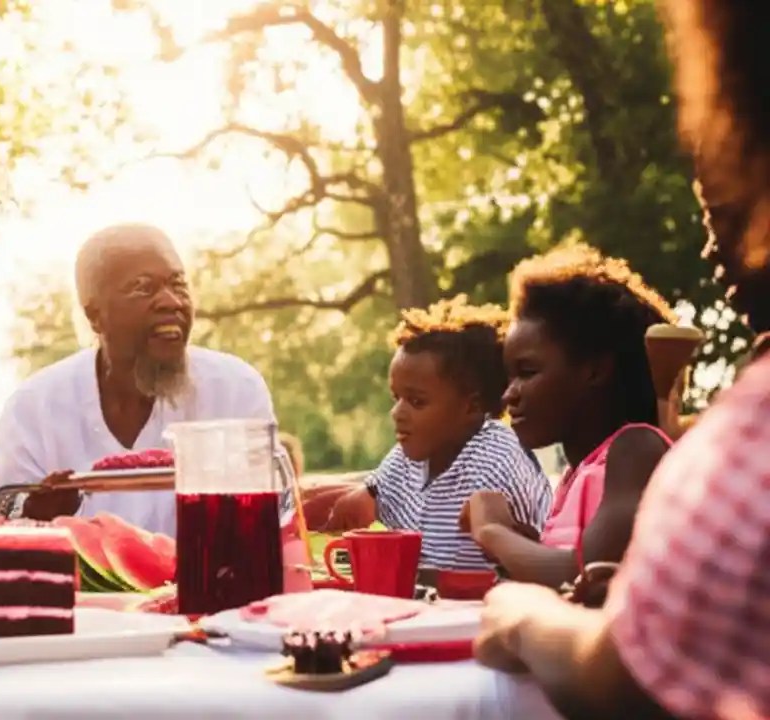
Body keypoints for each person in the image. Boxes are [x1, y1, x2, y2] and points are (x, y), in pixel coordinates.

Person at [474, 3, 770, 716]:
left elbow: (612, 673)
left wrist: (509, 585)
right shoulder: (577, 469)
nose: (711, 251)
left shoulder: (636, 448)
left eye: (725, 213)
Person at [0, 224, 275, 535]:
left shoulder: (236, 389)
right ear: (95, 316)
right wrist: (34, 513)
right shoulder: (32, 408)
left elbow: (271, 522)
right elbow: (3, 530)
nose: (171, 302)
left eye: (178, 284)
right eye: (143, 287)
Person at [460, 245, 674, 590]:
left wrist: (493, 533)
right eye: (508, 377)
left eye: (527, 372)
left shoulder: (636, 449)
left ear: (594, 370)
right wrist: (518, 539)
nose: (508, 394)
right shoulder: (576, 474)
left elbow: (586, 573)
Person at [328, 296, 552, 570]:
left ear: (471, 406)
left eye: (416, 401)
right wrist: (355, 498)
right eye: (396, 397)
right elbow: (370, 493)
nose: (397, 412)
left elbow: (526, 561)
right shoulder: (411, 453)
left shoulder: (497, 462)